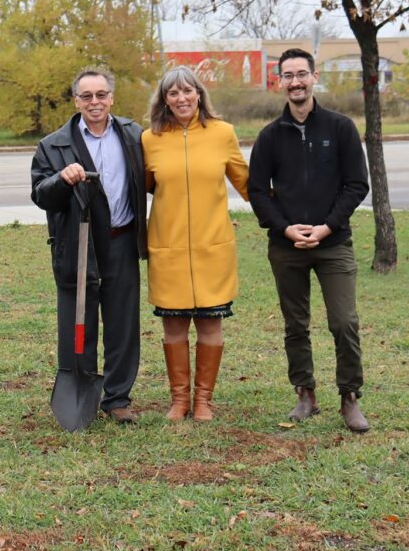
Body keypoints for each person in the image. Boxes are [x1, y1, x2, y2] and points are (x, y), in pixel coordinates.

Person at [248, 48, 372, 433]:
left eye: (302, 74)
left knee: (344, 321)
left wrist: (326, 227)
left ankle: (349, 397)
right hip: (286, 247)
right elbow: (257, 191)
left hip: (332, 243)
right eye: (288, 75)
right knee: (295, 324)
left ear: (314, 77)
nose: (296, 82)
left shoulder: (340, 128)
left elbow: (357, 184)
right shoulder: (269, 136)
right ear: (280, 81)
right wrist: (285, 228)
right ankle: (305, 393)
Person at [30, 68, 148, 424]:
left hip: (121, 241)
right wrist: (61, 179)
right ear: (76, 101)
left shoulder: (133, 135)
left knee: (123, 324)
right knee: (78, 323)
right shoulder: (53, 145)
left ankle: (117, 398)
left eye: (101, 95)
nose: (94, 102)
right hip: (78, 245)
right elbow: (40, 195)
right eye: (86, 96)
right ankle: (81, 395)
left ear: (111, 97)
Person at [141, 66, 249, 422]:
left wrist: (289, 211)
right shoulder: (150, 139)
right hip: (168, 249)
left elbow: (248, 184)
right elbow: (138, 187)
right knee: (173, 326)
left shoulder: (222, 133)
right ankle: (179, 400)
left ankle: (203, 400)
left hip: (212, 248)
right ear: (164, 100)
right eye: (173, 93)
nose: (181, 98)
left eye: (187, 90)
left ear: (199, 94)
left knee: (210, 325)